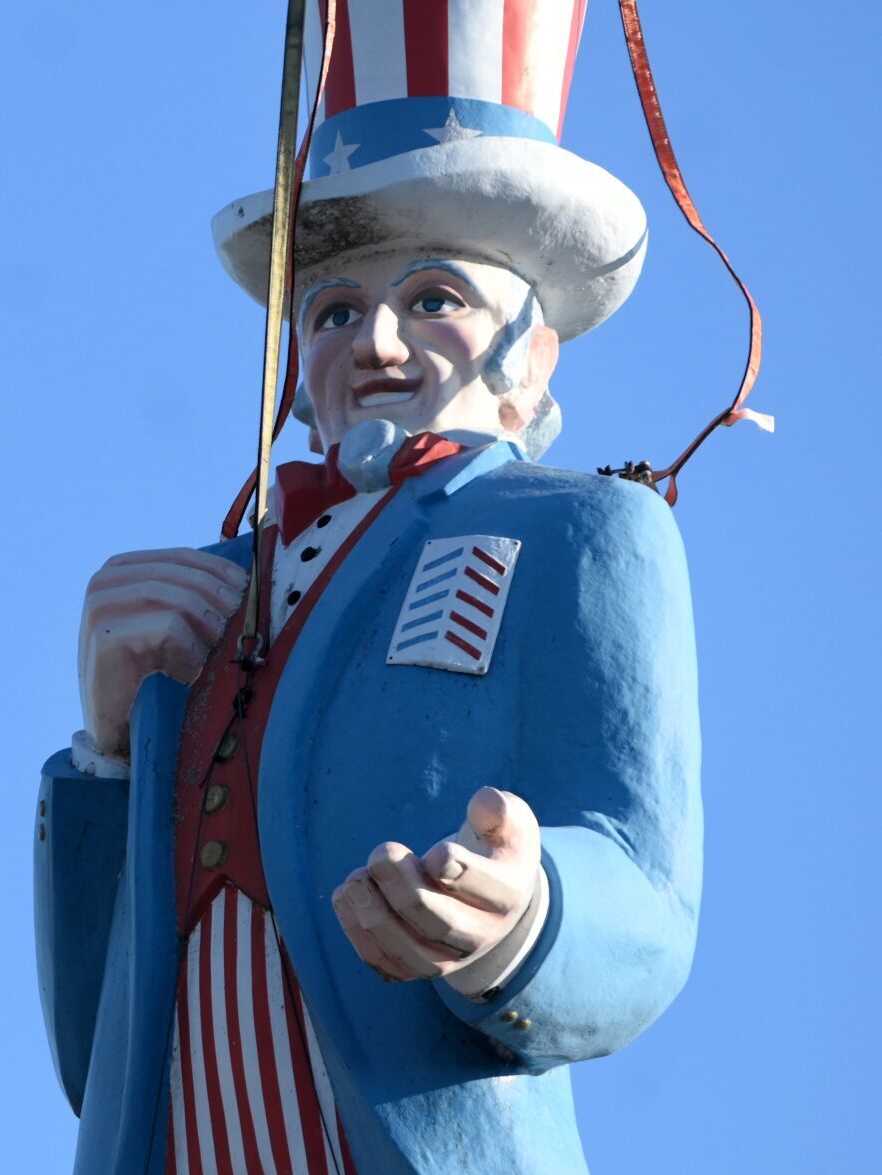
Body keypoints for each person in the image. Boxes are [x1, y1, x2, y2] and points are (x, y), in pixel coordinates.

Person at [36, 5, 701, 1172]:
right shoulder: (204, 597)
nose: (376, 341)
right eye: (334, 309)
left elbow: (643, 886)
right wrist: (107, 757)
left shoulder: (581, 530)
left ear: (529, 356)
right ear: (295, 369)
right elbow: (97, 1053)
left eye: (433, 298)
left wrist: (525, 913)